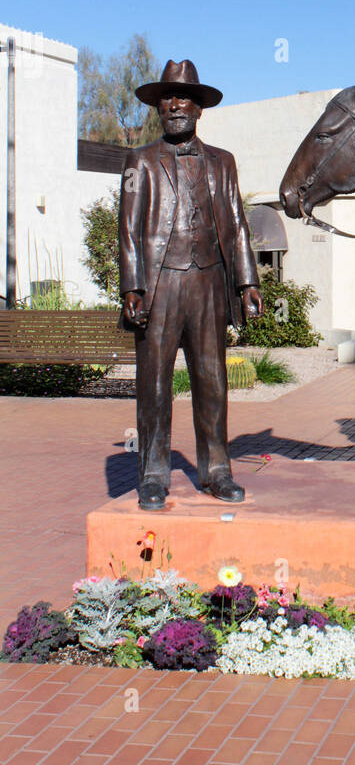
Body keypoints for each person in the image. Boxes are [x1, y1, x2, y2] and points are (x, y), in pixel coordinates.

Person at [119, 59, 262, 511]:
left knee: (211, 380)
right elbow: (126, 230)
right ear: (159, 107)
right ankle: (153, 474)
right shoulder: (139, 161)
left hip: (208, 285)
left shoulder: (223, 162)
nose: (175, 104)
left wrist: (246, 282)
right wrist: (132, 286)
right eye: (168, 97)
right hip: (159, 287)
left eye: (184, 98)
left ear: (200, 109)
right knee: (155, 386)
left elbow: (238, 224)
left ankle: (216, 469)